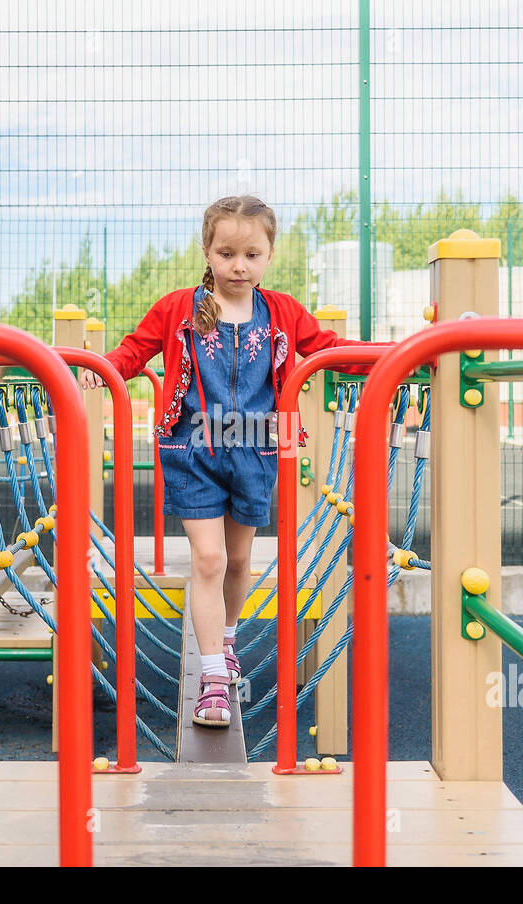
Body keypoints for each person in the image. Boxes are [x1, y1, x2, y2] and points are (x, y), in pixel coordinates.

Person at [81, 195, 379, 728]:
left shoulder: (282, 311)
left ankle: (225, 638)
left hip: (257, 449)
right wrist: (103, 366)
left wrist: (390, 356)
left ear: (268, 256)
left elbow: (330, 348)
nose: (238, 265)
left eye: (251, 253)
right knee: (209, 560)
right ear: (208, 251)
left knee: (240, 562)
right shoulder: (179, 308)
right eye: (226, 252)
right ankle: (215, 678)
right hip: (193, 451)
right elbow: (136, 348)